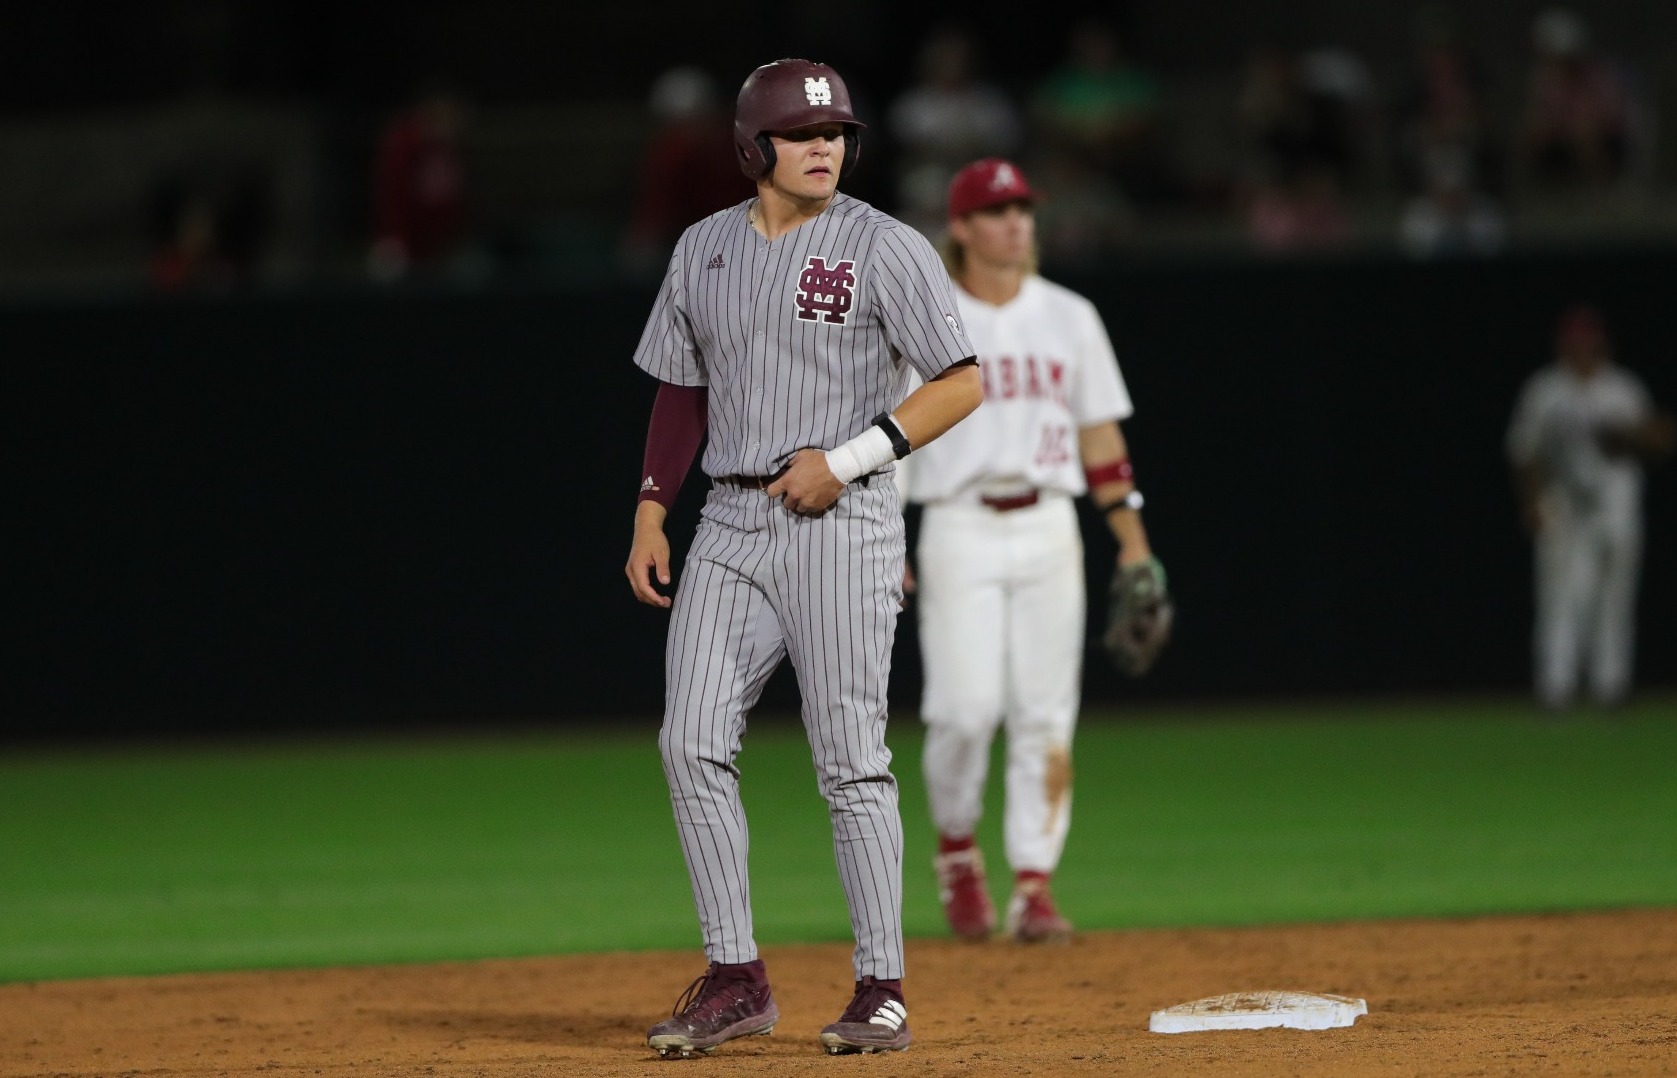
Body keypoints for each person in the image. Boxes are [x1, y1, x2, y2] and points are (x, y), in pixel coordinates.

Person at [624, 58, 982, 1058]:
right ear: (753, 148)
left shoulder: (885, 247)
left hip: (845, 524)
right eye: (801, 132)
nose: (826, 145)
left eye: (836, 133)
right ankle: (737, 976)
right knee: (689, 742)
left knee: (850, 762)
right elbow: (680, 388)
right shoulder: (702, 249)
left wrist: (856, 455)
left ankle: (882, 985)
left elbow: (960, 382)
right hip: (729, 525)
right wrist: (653, 506)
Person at [899, 158, 1162, 942]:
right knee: (963, 710)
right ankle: (954, 850)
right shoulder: (927, 314)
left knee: (1046, 714)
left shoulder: (1069, 315)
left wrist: (1133, 546)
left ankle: (1034, 887)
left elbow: (1100, 437)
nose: (1016, 222)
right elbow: (896, 435)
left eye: (1022, 209)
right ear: (961, 228)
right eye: (996, 210)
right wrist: (887, 538)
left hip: (1050, 521)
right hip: (957, 522)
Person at [1506, 305, 1673, 710]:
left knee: (1614, 599)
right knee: (1562, 598)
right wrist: (1532, 503)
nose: (1581, 350)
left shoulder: (1622, 389)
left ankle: (1610, 686)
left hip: (1616, 505)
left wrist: (1627, 435)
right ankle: (1556, 687)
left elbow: (1662, 440)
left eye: (1588, 342)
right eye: (1573, 343)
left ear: (1601, 344)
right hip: (1565, 505)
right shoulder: (1546, 389)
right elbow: (1524, 452)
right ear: (1562, 346)